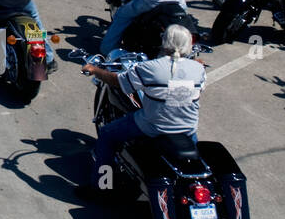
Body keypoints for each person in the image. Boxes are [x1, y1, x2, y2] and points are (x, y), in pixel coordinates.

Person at [79, 24, 205, 200]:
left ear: (165, 42)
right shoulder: (198, 69)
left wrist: (95, 71)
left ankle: (101, 187)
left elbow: (118, 81)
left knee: (107, 135)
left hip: (153, 126)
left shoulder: (150, 68)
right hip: (188, 129)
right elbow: (181, 93)